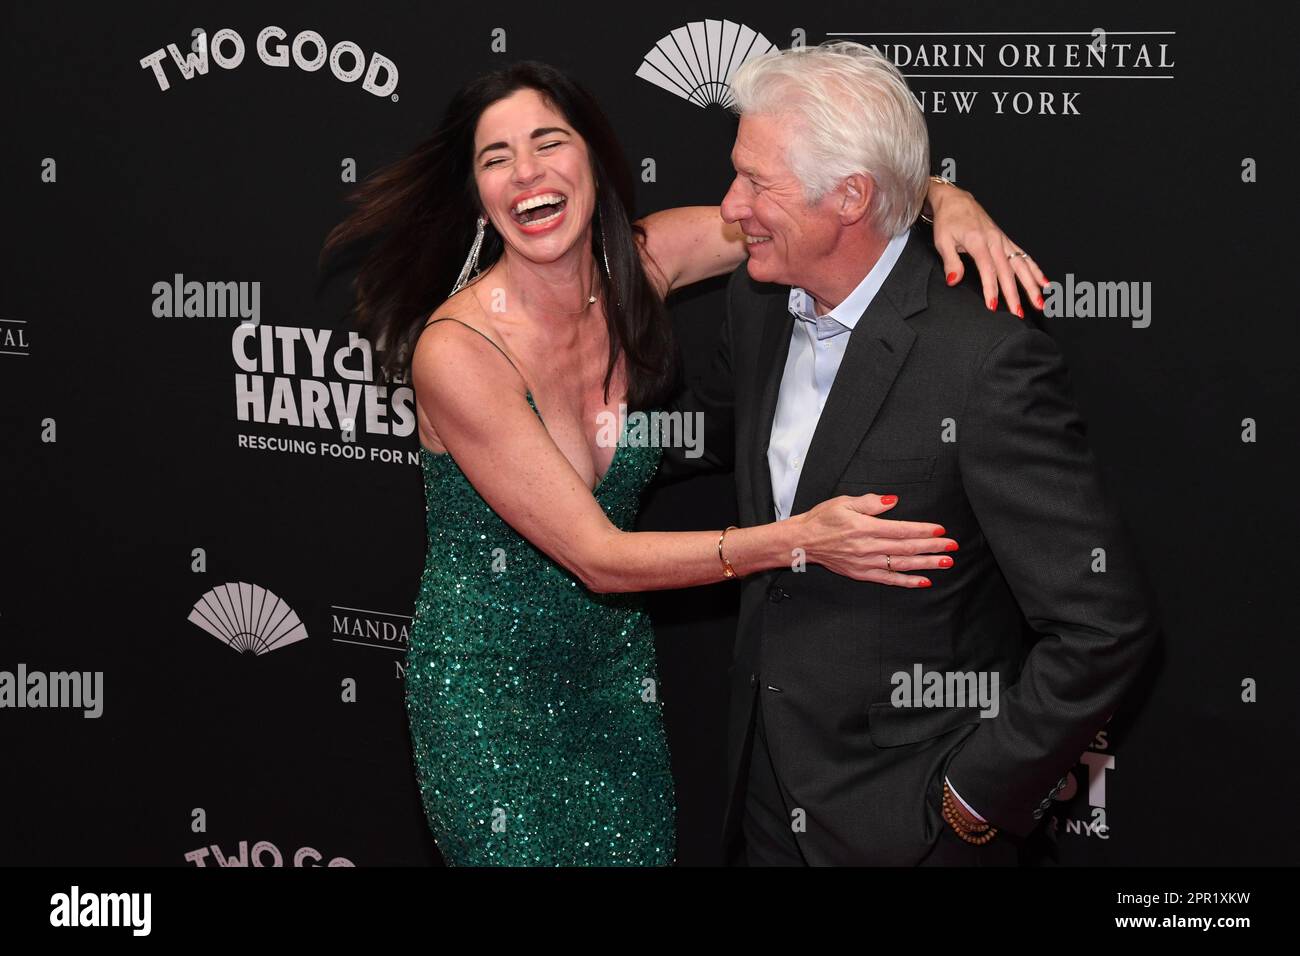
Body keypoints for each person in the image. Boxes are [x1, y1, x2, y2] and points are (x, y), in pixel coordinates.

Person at [319, 59, 1046, 866]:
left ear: (591, 156)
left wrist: (946, 198)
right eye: (495, 159)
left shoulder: (643, 263)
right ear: (478, 195)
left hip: (614, 679)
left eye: (548, 143)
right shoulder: (458, 353)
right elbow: (599, 558)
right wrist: (800, 538)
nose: (527, 176)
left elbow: (820, 204)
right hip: (492, 700)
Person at [656, 41, 1159, 866]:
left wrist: (971, 803)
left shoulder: (983, 361)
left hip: (909, 831)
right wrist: (559, 430)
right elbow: (701, 436)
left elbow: (1105, 624)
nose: (730, 205)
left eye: (756, 181)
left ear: (850, 196)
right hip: (761, 808)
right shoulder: (758, 305)